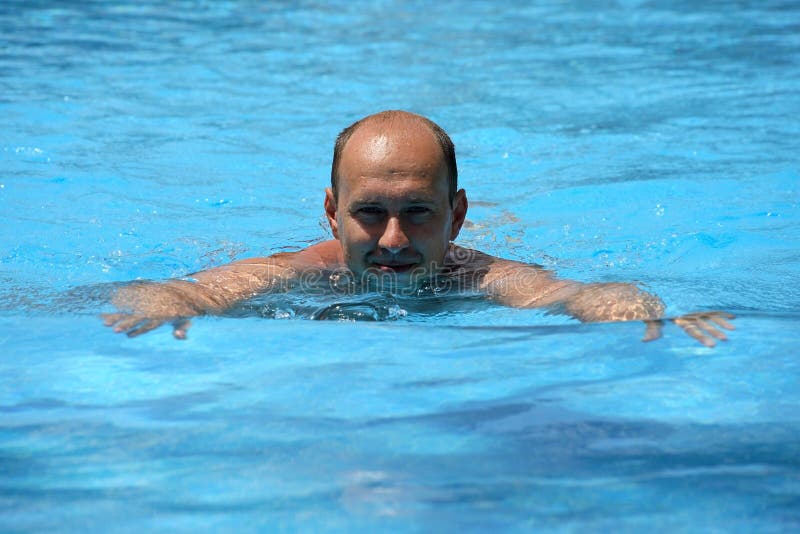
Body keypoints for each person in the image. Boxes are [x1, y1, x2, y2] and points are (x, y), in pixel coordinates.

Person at [102, 110, 734, 345]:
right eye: (369, 213)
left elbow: (572, 293)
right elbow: (185, 290)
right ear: (332, 213)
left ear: (456, 216)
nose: (393, 241)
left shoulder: (475, 276)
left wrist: (636, 312)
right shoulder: (303, 272)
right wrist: (160, 308)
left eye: (418, 212)